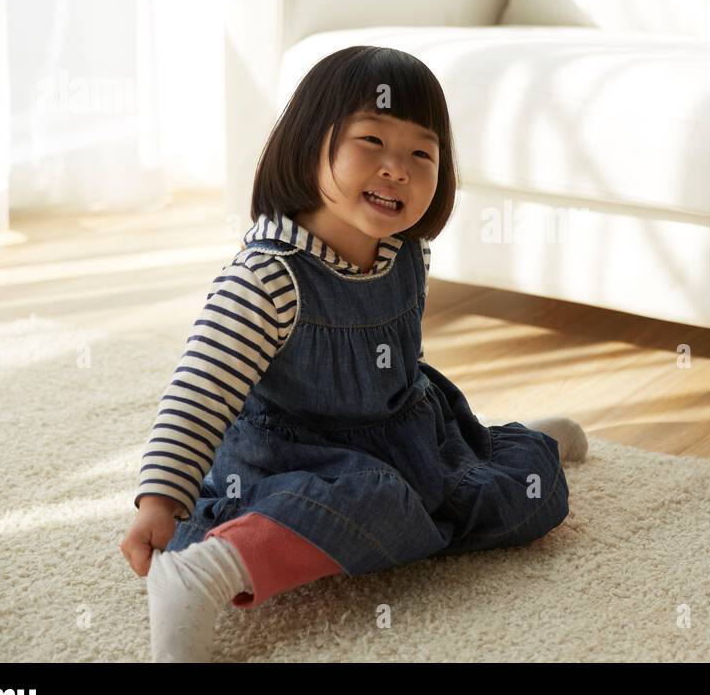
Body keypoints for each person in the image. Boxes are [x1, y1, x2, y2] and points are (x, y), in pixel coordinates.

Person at [118, 45, 587, 662]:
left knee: (534, 494)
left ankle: (497, 443)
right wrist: (160, 500)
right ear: (310, 142)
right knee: (378, 500)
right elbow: (197, 396)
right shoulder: (267, 279)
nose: (398, 168)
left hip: (404, 440)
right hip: (291, 461)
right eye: (372, 142)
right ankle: (206, 573)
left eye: (421, 153)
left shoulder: (406, 255)